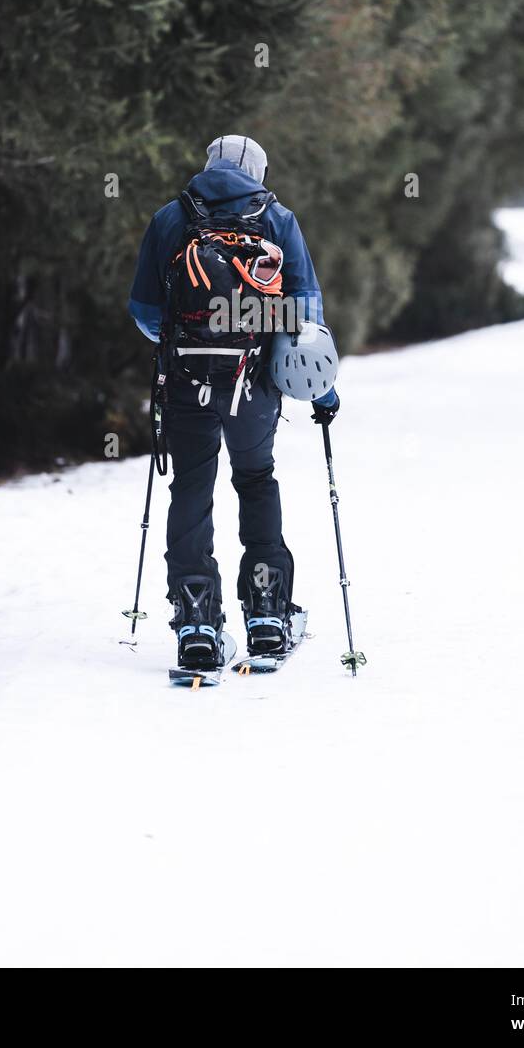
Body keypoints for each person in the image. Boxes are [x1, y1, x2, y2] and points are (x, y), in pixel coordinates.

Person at [129, 134, 339, 670]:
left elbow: (145, 313)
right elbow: (305, 315)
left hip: (185, 378)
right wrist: (322, 388)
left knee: (192, 487)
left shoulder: (170, 219)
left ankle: (197, 619)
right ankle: (267, 614)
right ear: (260, 173)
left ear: (208, 165)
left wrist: (187, 344)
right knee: (255, 479)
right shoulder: (278, 219)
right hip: (254, 384)